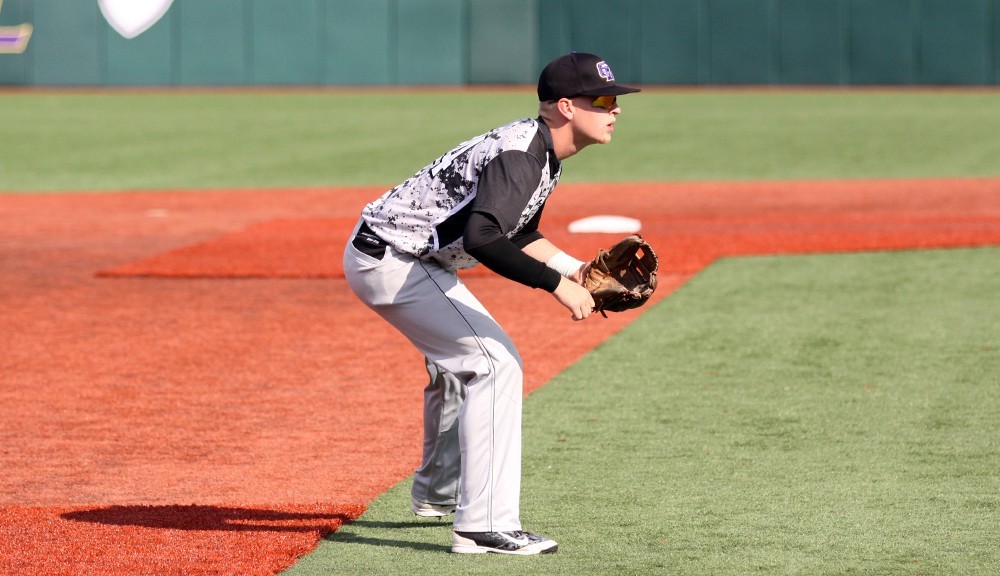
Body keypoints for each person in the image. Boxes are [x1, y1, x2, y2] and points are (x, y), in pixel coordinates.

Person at [342, 52, 640, 555]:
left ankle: (439, 492)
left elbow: (518, 231)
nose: (615, 110)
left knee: (459, 366)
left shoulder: (539, 149)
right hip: (393, 260)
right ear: (566, 107)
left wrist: (577, 270)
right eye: (604, 100)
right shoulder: (523, 153)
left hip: (406, 255)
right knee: (495, 366)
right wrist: (557, 285)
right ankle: (484, 524)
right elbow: (483, 237)